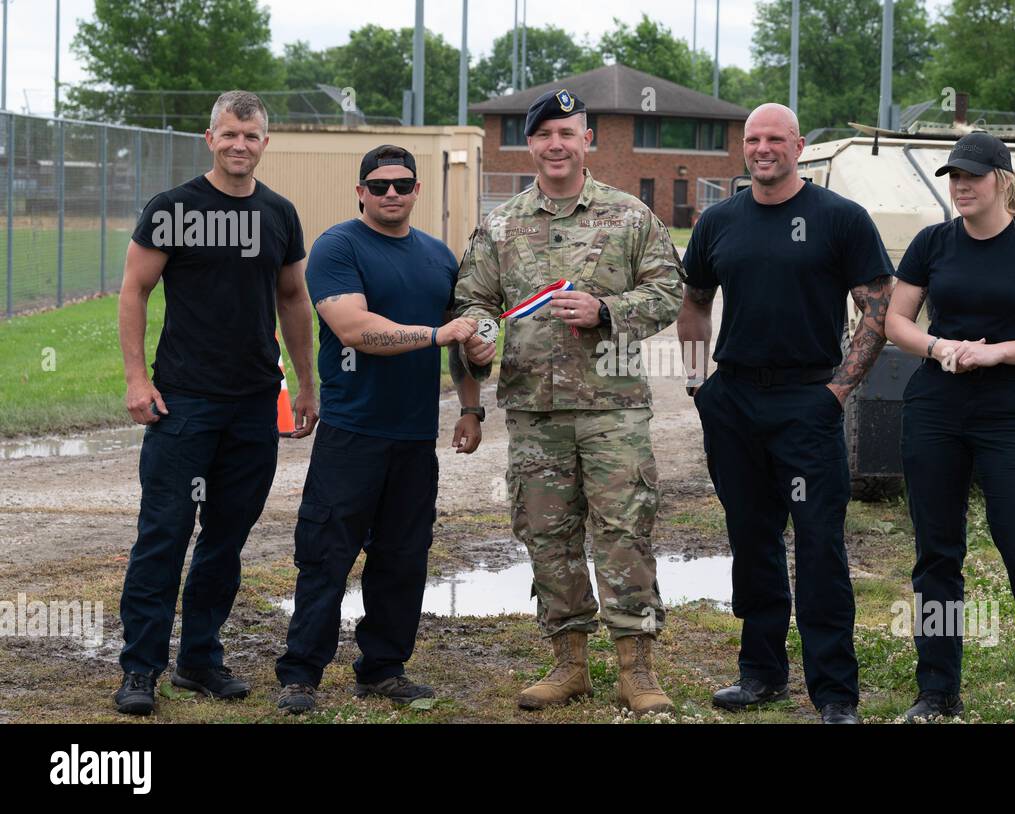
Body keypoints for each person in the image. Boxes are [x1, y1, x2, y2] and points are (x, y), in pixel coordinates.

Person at [456, 89, 684, 715]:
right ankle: (569, 664)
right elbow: (473, 299)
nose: (556, 144)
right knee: (546, 535)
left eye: (568, 132)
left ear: (588, 140)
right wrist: (478, 335)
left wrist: (607, 309)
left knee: (623, 532)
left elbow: (669, 292)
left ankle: (637, 668)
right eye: (544, 134)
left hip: (613, 409)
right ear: (531, 145)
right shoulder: (501, 225)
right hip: (534, 411)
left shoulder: (630, 216)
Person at [677, 103, 894, 724]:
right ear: (743, 148)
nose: (763, 147)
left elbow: (875, 309)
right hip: (734, 400)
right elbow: (694, 303)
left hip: (808, 401)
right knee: (751, 539)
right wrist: (698, 383)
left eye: (775, 138)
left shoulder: (840, 220)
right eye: (753, 138)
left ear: (798, 145)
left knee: (820, 546)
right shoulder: (719, 221)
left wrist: (839, 390)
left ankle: (834, 694)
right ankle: (761, 674)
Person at [114, 90, 317, 715]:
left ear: (264, 142)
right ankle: (141, 669)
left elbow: (293, 301)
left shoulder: (279, 214)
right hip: (183, 404)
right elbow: (135, 288)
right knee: (165, 534)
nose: (239, 145)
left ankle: (199, 660)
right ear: (210, 139)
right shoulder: (172, 208)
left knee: (226, 538)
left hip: (254, 403)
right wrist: (136, 380)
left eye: (251, 135)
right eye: (229, 134)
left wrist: (307, 384)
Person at [273, 145, 493, 714]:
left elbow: (463, 342)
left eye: (401, 184)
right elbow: (354, 328)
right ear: (360, 191)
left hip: (415, 437)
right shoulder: (338, 246)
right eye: (378, 185)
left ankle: (384, 670)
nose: (390, 193)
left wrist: (472, 406)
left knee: (403, 557)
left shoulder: (439, 257)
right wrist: (437, 335)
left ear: (417, 190)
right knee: (326, 553)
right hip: (353, 433)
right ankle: (301, 675)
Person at [883, 131, 1015, 724]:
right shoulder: (932, 242)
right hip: (936, 408)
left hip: (1006, 413)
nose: (960, 186)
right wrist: (939, 345)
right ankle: (937, 691)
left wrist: (997, 354)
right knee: (937, 556)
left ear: (1002, 179)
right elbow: (895, 319)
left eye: (972, 176)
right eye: (953, 177)